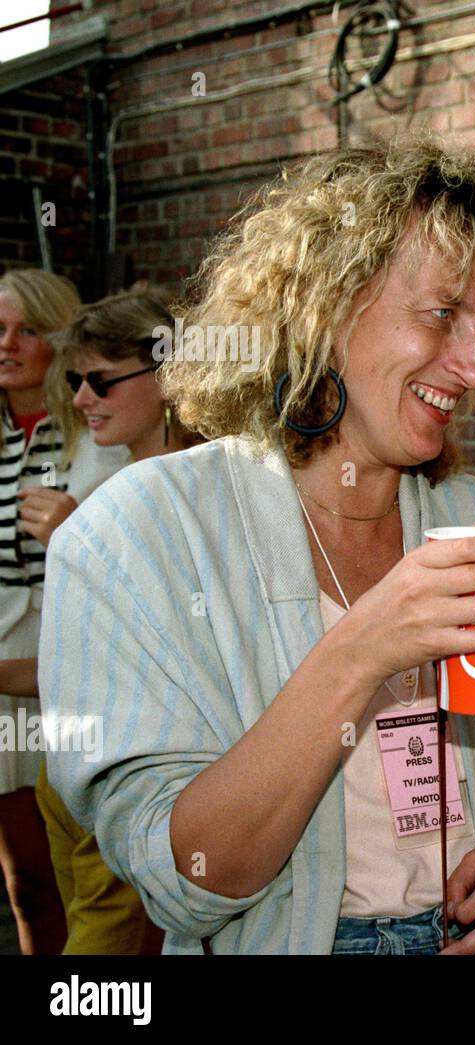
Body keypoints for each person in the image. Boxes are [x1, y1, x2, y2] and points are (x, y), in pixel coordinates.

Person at [39, 135, 475, 955]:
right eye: (443, 315)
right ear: (322, 308)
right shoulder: (133, 536)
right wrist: (360, 648)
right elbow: (180, 877)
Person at [33, 285, 203, 954]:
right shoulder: (105, 491)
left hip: (140, 764)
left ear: (166, 375)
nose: (79, 399)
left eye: (99, 380)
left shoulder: (208, 488)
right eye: (74, 379)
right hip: (64, 758)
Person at [0, 268, 128, 954]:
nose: (7, 344)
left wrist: (74, 528)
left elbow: (119, 557)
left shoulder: (93, 430)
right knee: (25, 880)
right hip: (6, 668)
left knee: (84, 882)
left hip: (62, 660)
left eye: (26, 330)